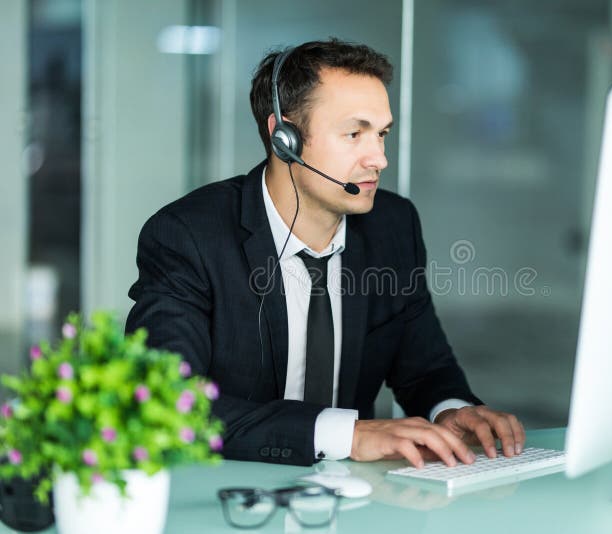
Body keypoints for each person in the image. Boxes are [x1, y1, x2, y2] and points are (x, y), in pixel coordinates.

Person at [126, 38, 525, 469]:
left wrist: (451, 411)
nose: (379, 159)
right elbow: (167, 404)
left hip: (356, 500)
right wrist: (345, 436)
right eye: (355, 134)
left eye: (382, 134)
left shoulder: (393, 226)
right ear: (285, 139)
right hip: (227, 494)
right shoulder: (188, 237)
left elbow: (425, 368)